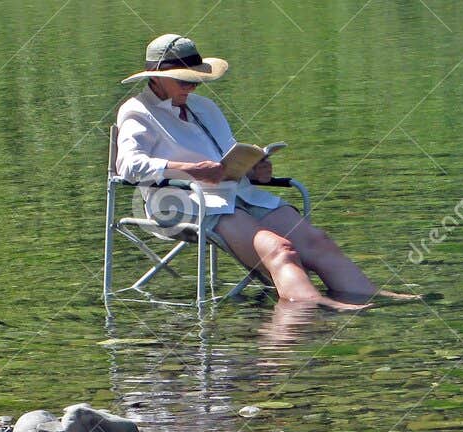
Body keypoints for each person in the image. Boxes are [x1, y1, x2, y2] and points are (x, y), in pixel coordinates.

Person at [116, 34, 419, 312]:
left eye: (195, 79)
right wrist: (188, 170)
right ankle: (312, 306)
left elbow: (227, 154)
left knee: (318, 240)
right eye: (184, 81)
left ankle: (366, 294)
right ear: (157, 77)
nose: (192, 86)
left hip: (234, 192)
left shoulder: (204, 107)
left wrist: (253, 168)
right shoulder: (137, 111)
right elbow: (128, 167)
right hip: (179, 202)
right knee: (279, 249)